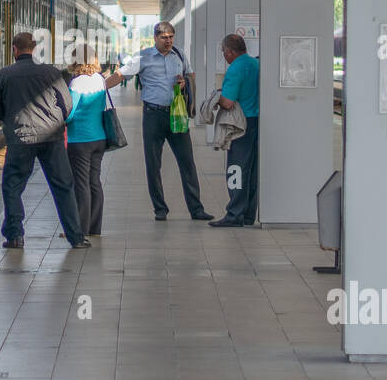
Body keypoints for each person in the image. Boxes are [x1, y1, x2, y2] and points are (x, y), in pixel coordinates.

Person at [0, 32, 90, 249]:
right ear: (34, 49)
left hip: (20, 137)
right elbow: (67, 104)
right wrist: (57, 122)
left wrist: (10, 121)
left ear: (14, 49)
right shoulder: (51, 72)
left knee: (12, 186)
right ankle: (77, 237)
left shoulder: (4, 74)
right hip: (51, 137)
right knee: (63, 186)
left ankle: (15, 236)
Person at [118, 21, 213, 222]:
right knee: (153, 164)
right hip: (153, 115)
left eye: (171, 37)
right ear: (155, 38)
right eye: (164, 37)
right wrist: (100, 86)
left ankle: (196, 209)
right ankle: (160, 209)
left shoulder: (179, 55)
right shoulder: (143, 57)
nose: (168, 40)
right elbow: (121, 75)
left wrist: (184, 82)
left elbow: (191, 74)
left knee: (187, 162)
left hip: (176, 115)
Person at [65, 44, 123, 237]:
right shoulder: (100, 79)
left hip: (80, 140)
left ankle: (79, 229)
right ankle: (94, 227)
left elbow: (70, 113)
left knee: (80, 184)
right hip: (99, 138)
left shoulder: (76, 83)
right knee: (94, 182)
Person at [210, 34, 259, 227]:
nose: (224, 55)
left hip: (240, 125)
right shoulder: (255, 64)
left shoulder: (235, 69)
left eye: (224, 52)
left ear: (230, 52)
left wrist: (214, 99)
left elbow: (228, 103)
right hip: (257, 122)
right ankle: (248, 215)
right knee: (251, 170)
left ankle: (234, 214)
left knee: (236, 169)